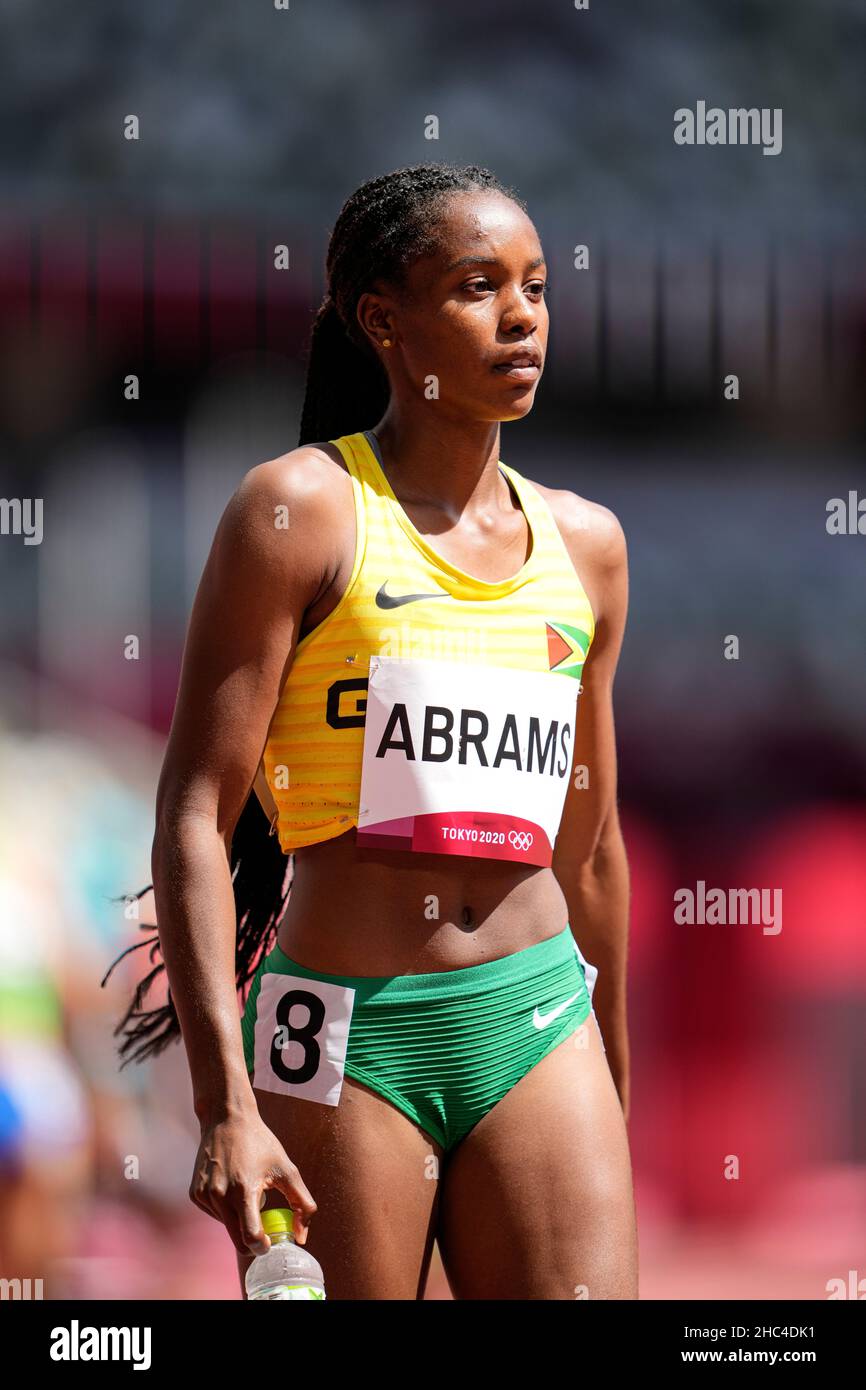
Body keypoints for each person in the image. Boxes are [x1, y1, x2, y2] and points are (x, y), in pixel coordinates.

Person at [108, 162, 637, 1299]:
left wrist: (615, 1067)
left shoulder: (587, 543)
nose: (520, 317)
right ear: (383, 321)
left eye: (535, 288)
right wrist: (223, 1103)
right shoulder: (295, 512)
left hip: (538, 1015)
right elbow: (195, 814)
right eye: (477, 286)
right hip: (343, 1035)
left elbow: (588, 848)